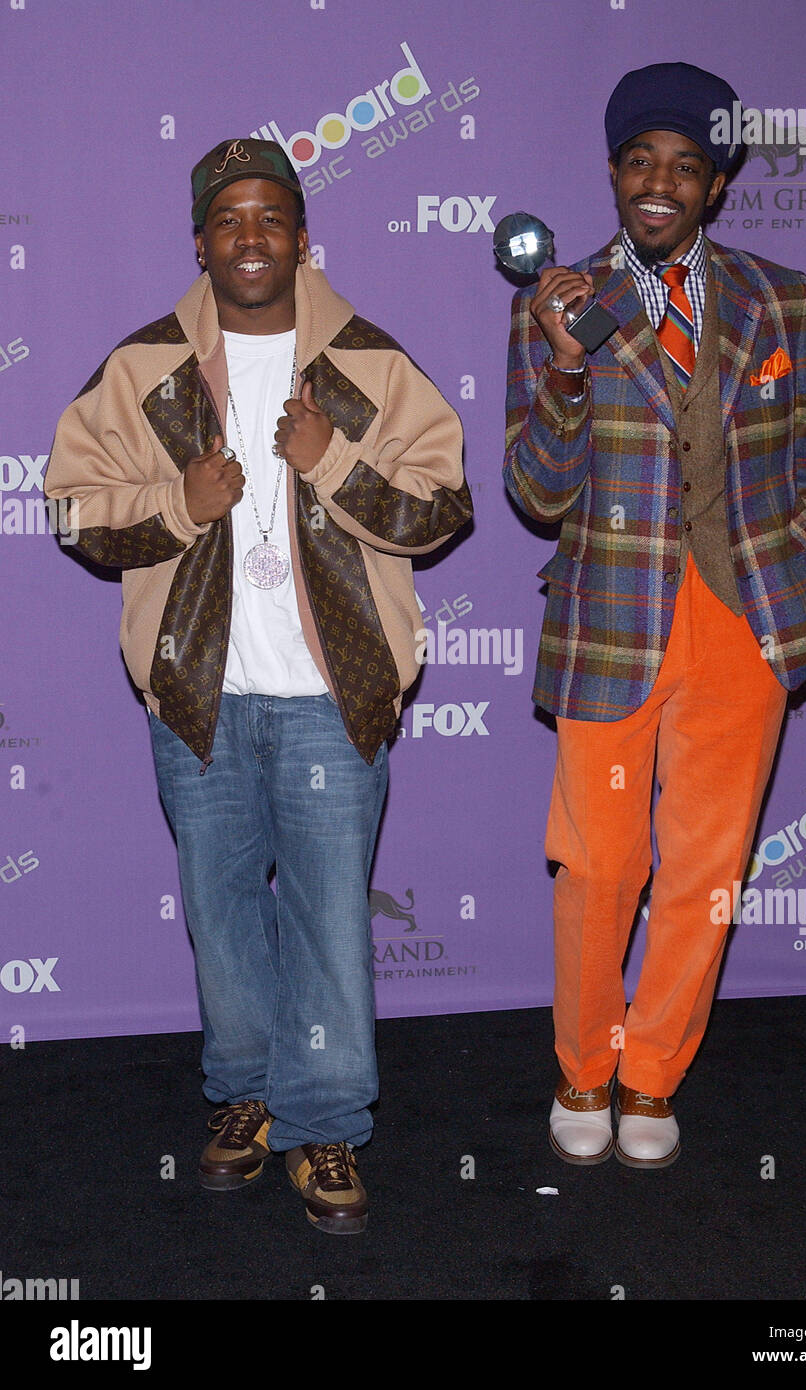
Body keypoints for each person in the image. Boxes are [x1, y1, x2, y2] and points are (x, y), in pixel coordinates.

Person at [45, 138, 471, 1231]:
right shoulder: (145, 368)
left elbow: (442, 506)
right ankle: (244, 1097)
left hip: (334, 699)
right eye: (228, 218)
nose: (248, 236)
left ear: (300, 237)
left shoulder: (371, 365)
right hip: (199, 697)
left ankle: (324, 1119)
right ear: (201, 240)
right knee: (222, 918)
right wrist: (179, 501)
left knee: (329, 921)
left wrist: (331, 458)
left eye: (269, 217)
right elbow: (68, 507)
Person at [503, 64, 806, 1169]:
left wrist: (787, 566)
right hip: (610, 616)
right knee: (600, 864)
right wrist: (558, 369)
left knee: (707, 865)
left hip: (741, 617)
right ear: (610, 171)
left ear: (716, 185)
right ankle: (582, 1066)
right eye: (641, 160)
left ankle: (650, 1076)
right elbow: (537, 492)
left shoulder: (776, 297)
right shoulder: (560, 301)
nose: (660, 182)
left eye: (686, 165)